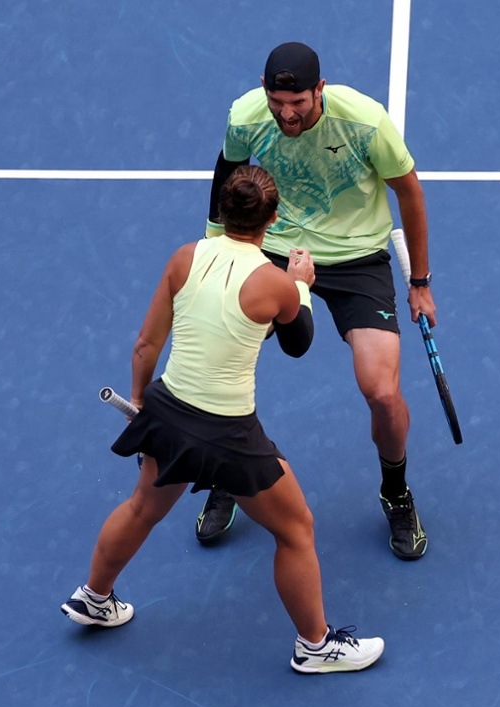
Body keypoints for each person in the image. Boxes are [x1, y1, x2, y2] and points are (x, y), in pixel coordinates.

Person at [60, 166, 384, 674]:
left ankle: (93, 598)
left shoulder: (184, 257)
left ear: (221, 211)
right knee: (297, 529)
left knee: (143, 506)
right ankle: (316, 646)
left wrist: (141, 405)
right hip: (229, 433)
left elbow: (146, 344)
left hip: (167, 412)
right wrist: (299, 286)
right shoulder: (273, 283)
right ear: (271, 220)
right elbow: (299, 344)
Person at [194, 41, 437, 561]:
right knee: (221, 361)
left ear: (319, 90)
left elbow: (409, 193)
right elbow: (228, 177)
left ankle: (395, 489)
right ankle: (226, 475)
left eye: (298, 102)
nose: (287, 113)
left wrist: (420, 280)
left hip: (357, 255)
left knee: (382, 392)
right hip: (278, 248)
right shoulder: (245, 116)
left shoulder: (367, 122)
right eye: (277, 101)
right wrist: (216, 248)